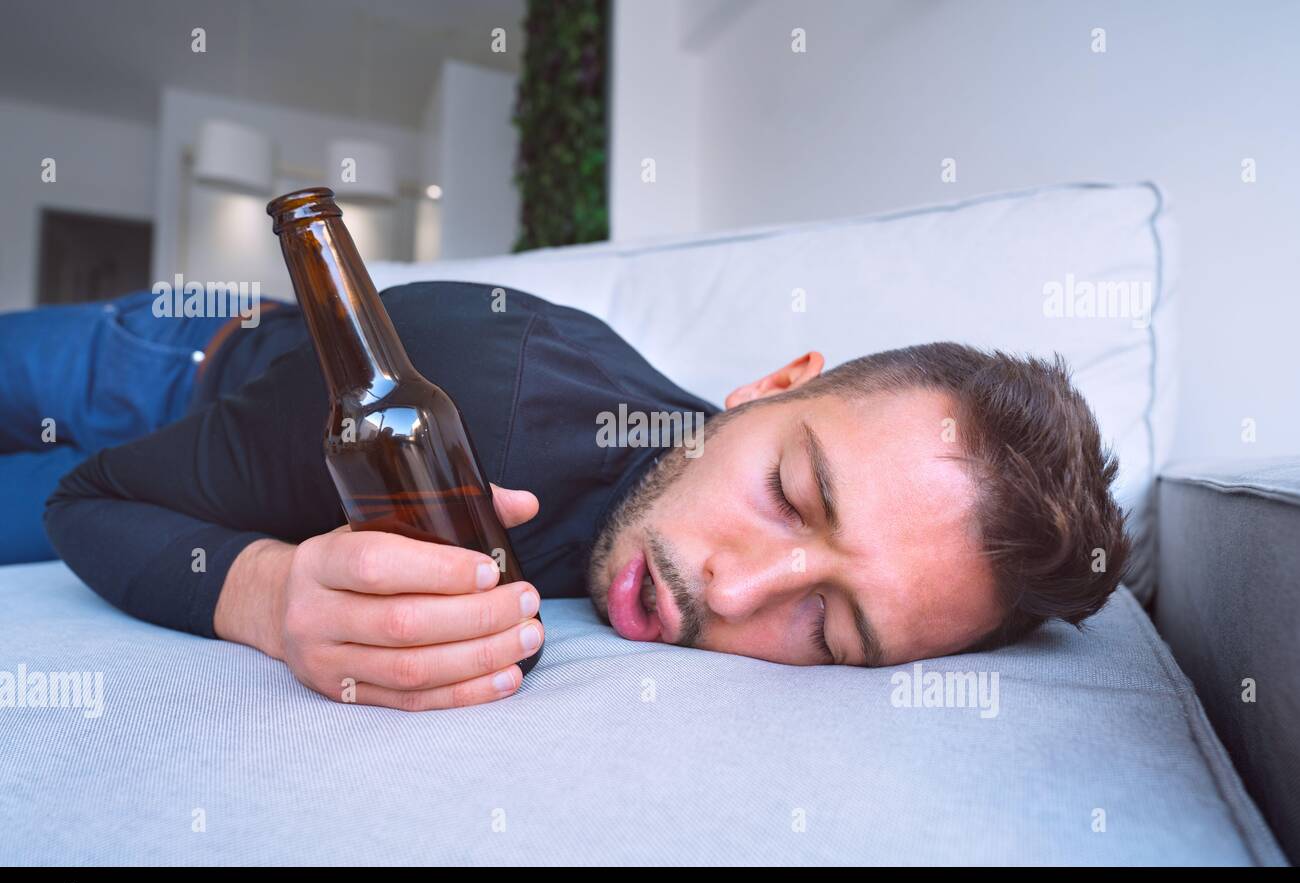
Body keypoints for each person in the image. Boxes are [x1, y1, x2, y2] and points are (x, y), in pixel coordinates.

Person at [32, 280, 1128, 711]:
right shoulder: (479, 402)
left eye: (830, 631)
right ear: (769, 388)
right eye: (792, 495)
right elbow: (87, 498)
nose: (735, 589)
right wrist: (264, 594)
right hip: (157, 365)